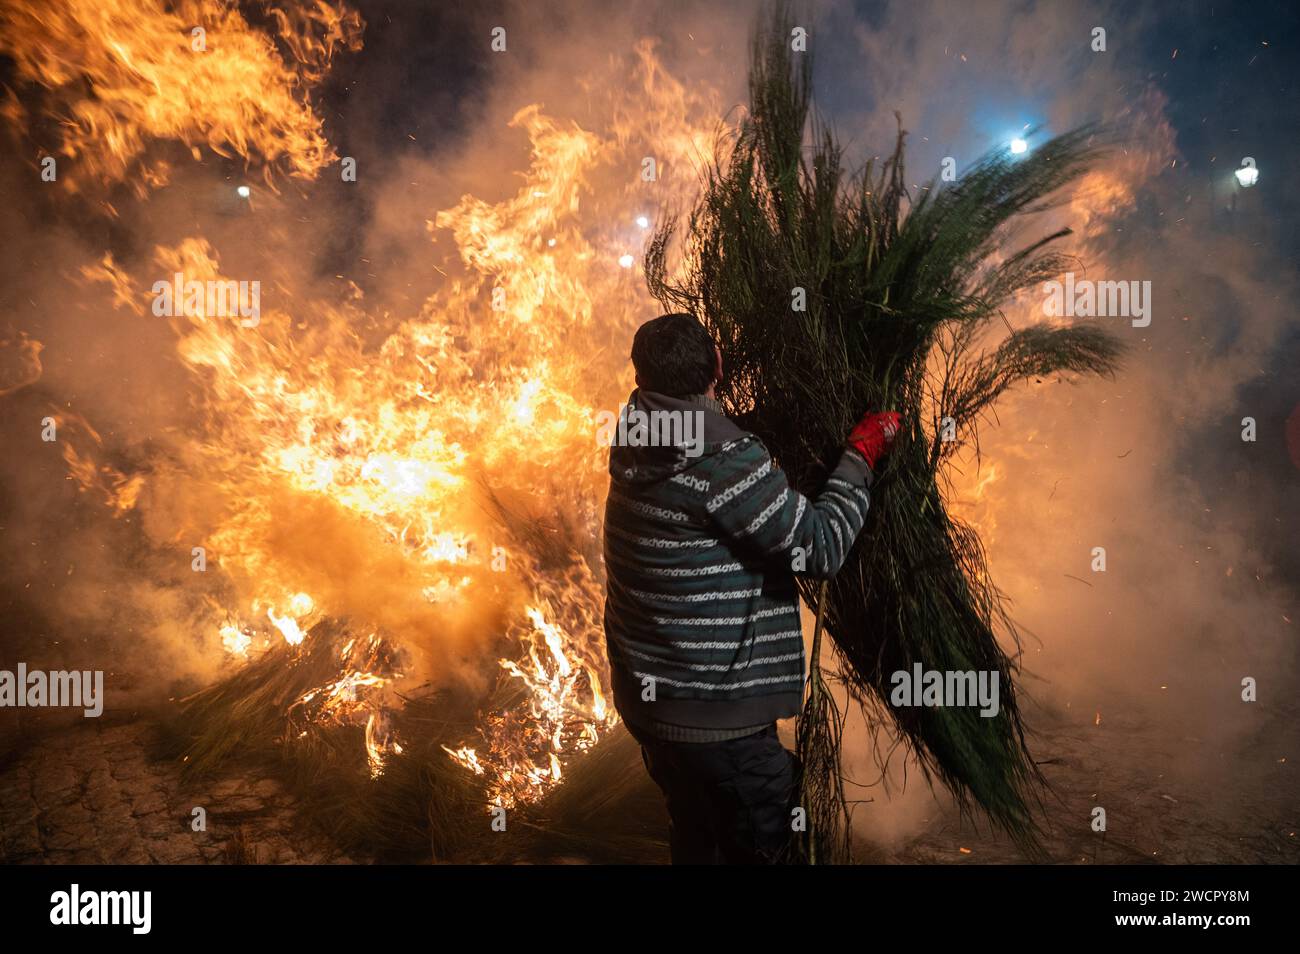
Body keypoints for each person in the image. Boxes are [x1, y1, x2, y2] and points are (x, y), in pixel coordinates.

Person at [602, 311, 899, 864]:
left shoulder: (632, 436)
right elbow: (821, 547)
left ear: (642, 377)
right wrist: (860, 457)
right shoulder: (727, 461)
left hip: (653, 713)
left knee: (698, 843)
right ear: (718, 364)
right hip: (720, 729)